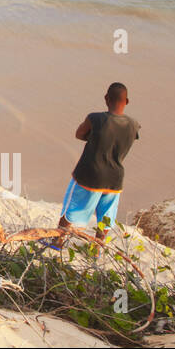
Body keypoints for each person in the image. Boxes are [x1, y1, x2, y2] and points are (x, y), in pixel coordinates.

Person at [58, 82, 140, 237]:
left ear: (106, 99)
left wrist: (95, 138)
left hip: (89, 174)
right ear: (127, 102)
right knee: (106, 217)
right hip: (115, 179)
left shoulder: (95, 119)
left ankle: (57, 241)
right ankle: (97, 250)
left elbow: (79, 134)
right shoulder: (134, 125)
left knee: (72, 208)